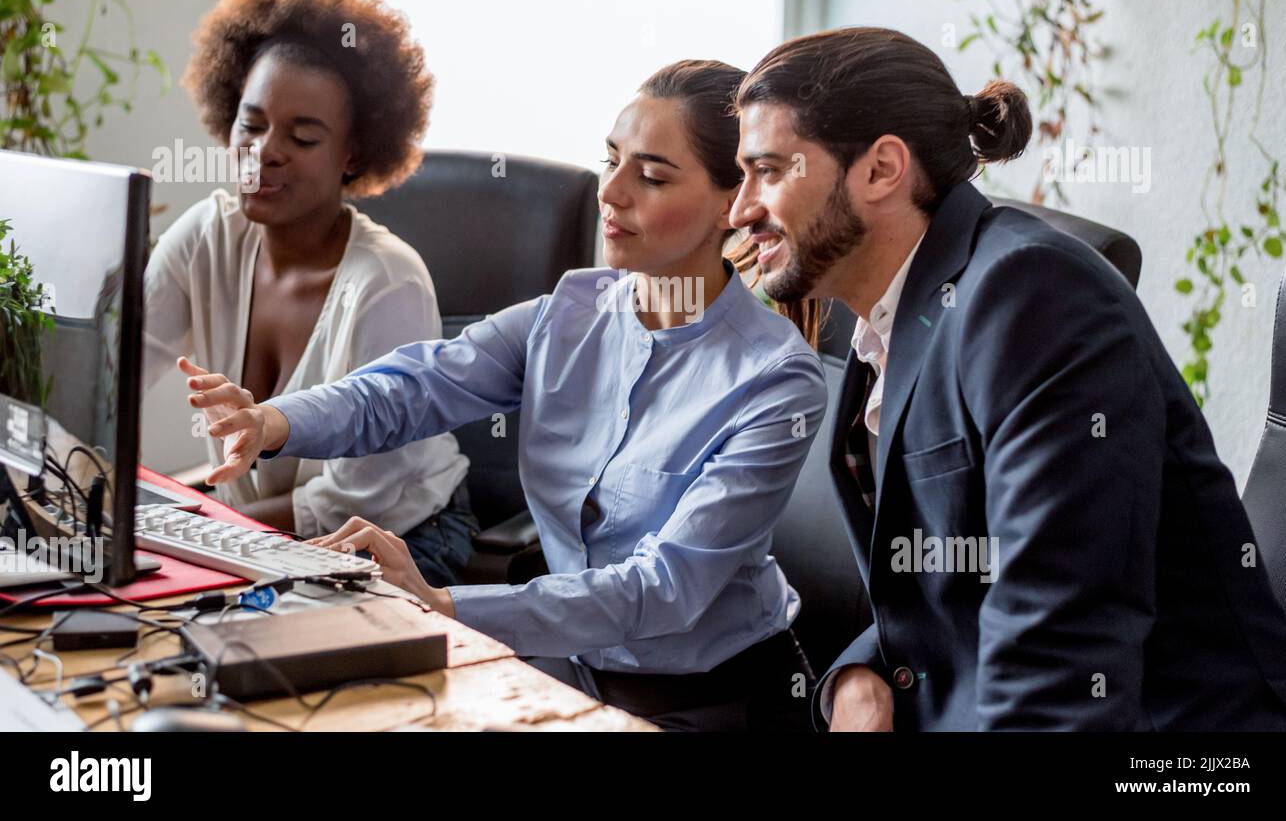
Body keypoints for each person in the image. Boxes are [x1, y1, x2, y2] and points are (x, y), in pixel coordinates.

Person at [175, 60, 828, 731]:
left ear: (731, 202)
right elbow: (417, 384)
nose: (613, 193)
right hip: (563, 672)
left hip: (705, 704)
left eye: (652, 176)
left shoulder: (775, 379)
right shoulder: (571, 311)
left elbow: (665, 590)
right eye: (611, 160)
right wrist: (273, 420)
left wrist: (444, 602)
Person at [728, 25, 1286, 731]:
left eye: (772, 170)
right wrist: (855, 675)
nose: (739, 210)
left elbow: (1059, 663)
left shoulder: (1033, 296)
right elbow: (944, 584)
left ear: (881, 170)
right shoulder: (888, 321)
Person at [144, 0, 475, 586]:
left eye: (302, 137)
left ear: (352, 153)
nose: (265, 152)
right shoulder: (206, 237)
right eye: (251, 124)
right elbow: (111, 374)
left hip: (399, 539)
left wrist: (182, 521)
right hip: (263, 528)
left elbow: (357, 500)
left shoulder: (386, 284)